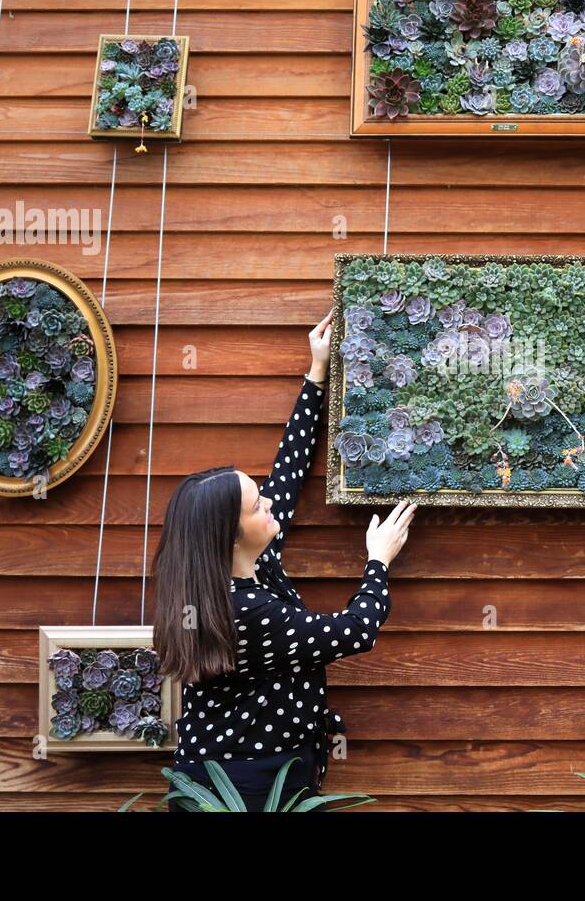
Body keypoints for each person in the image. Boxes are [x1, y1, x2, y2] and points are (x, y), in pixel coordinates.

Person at [152, 311, 418, 811]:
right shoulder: (245, 611)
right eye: (257, 506)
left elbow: (287, 478)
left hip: (255, 771)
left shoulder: (245, 564)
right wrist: (378, 561)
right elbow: (353, 632)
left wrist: (317, 374)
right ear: (231, 537)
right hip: (244, 788)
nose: (269, 504)